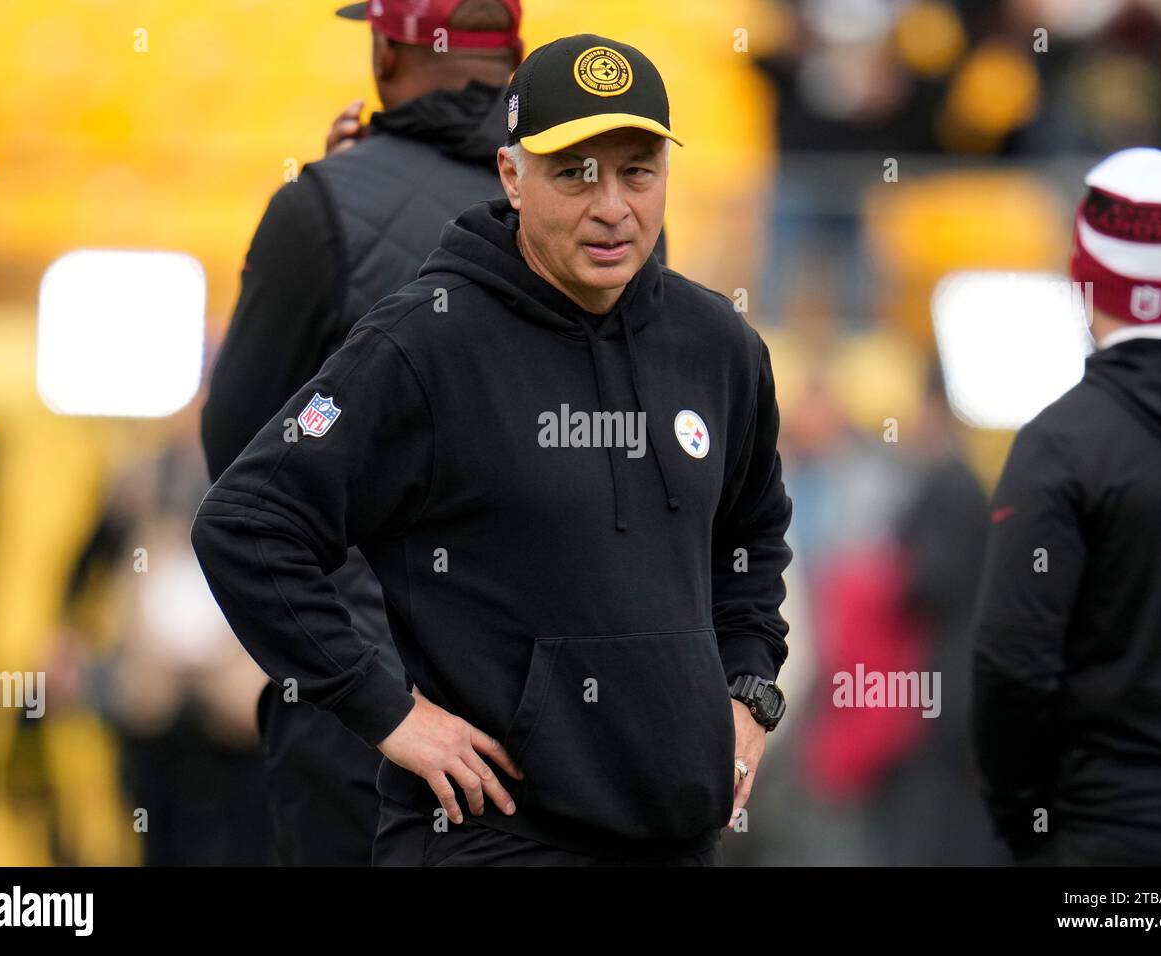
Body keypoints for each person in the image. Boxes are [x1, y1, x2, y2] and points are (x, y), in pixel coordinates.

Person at [191, 34, 793, 866]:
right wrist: (389, 713)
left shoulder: (718, 343)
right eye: (574, 172)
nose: (612, 205)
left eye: (637, 171)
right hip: (491, 840)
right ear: (512, 176)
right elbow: (248, 524)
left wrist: (748, 689)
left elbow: (753, 537)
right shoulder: (425, 341)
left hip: (676, 838)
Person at [199, 0, 523, 865]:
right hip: (554, 717)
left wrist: (325, 205)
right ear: (518, 56)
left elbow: (237, 467)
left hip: (365, 712)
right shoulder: (613, 216)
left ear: (384, 53)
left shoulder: (321, 209)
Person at [971, 147, 1161, 865]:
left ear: (1083, 277)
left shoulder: (1062, 445)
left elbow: (1012, 667)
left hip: (1111, 846)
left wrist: (1024, 819)